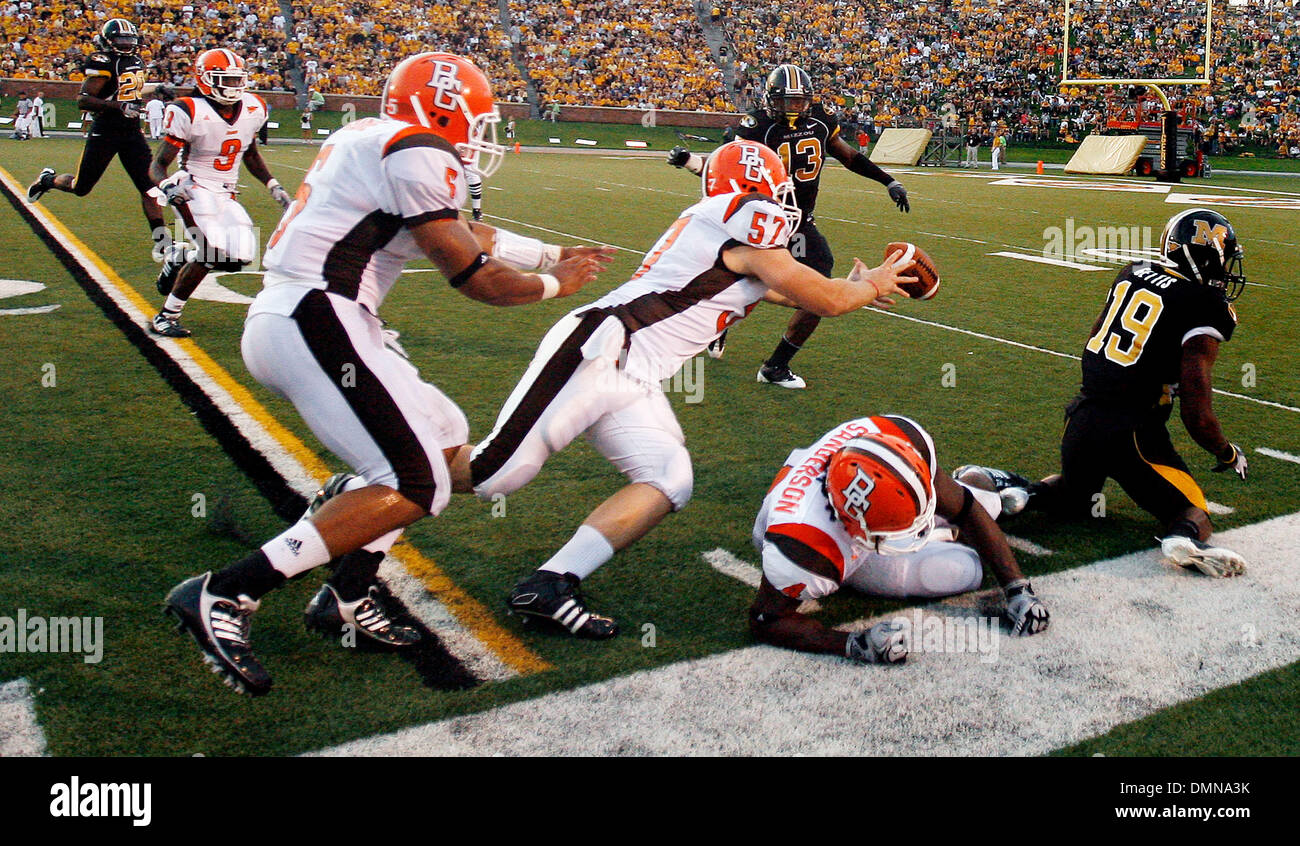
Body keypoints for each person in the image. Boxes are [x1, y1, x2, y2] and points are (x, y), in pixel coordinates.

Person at [162, 52, 612, 696]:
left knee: (446, 433)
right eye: (475, 119)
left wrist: (547, 250)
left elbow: (461, 230)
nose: (479, 135)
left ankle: (345, 595)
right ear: (446, 109)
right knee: (418, 481)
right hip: (317, 315)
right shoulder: (415, 149)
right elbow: (474, 275)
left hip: (319, 314)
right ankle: (226, 591)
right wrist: (553, 282)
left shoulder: (375, 137)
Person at [469, 140, 917, 639]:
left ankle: (550, 583)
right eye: (773, 187)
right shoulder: (741, 216)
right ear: (752, 189)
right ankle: (392, 480)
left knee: (668, 477)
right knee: (493, 473)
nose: (782, 199)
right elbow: (824, 301)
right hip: (601, 351)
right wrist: (871, 285)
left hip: (632, 371)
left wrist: (850, 285)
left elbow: (771, 289)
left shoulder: (729, 232)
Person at [958, 209, 1250, 578]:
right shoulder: (1205, 306)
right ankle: (1182, 540)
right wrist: (1227, 452)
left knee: (1076, 496)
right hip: (1134, 431)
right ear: (1204, 256)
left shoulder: (1134, 271)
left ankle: (1022, 494)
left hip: (1083, 416)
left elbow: (1096, 338)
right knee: (1192, 507)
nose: (1225, 271)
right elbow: (1197, 415)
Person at [668, 64, 910, 389]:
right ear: (771, 100)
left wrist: (888, 180)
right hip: (760, 217)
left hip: (798, 218)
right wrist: (692, 164)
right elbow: (729, 177)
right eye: (787, 101)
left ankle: (776, 363)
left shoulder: (821, 120)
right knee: (755, 276)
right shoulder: (757, 126)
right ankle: (728, 324)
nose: (793, 108)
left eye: (799, 102)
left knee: (817, 277)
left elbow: (849, 156)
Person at [749, 414, 1050, 664]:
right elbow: (766, 620)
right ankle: (950, 529)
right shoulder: (803, 548)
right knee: (960, 570)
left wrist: (1017, 588)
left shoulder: (898, 437)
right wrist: (853, 643)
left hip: (865, 519)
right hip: (831, 544)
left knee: (977, 503)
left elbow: (966, 508)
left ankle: (974, 485)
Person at [148, 49, 292, 338]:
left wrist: (273, 185)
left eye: (237, 80)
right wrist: (168, 187)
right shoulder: (188, 109)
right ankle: (166, 315)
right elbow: (158, 165)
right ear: (205, 79)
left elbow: (250, 153)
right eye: (225, 79)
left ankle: (180, 257)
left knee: (239, 258)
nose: (233, 86)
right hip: (193, 187)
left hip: (226, 193)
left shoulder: (254, 107)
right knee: (212, 249)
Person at [25, 19, 171, 255]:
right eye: (120, 40)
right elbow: (84, 100)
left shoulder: (134, 60)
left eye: (129, 40)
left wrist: (156, 87)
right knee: (81, 187)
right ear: (107, 41)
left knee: (149, 188)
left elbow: (128, 87)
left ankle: (162, 242)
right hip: (106, 131)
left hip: (131, 132)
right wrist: (119, 107)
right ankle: (47, 180)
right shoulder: (100, 61)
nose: (126, 44)